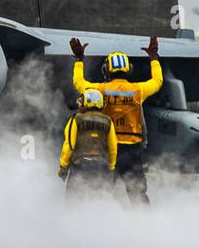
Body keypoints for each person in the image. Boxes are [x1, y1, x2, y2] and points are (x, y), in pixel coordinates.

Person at [69, 35, 163, 204]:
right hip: (133, 152)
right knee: (138, 196)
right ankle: (146, 220)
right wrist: (154, 58)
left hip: (108, 151)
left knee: (102, 195)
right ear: (129, 70)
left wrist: (79, 60)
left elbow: (78, 82)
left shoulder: (100, 89)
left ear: (107, 70)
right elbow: (157, 81)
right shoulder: (138, 90)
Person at [58, 88, 118, 197]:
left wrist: (63, 167)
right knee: (101, 201)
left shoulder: (76, 119)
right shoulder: (108, 121)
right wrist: (111, 168)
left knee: (73, 202)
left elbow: (69, 145)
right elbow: (113, 147)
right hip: (101, 167)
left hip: (80, 166)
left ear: (86, 101)